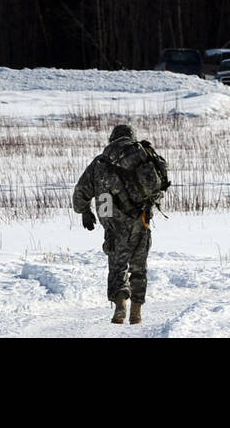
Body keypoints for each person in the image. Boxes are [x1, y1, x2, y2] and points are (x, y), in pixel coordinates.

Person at [72, 121, 169, 325]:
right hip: (141, 220)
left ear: (112, 139)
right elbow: (157, 186)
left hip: (114, 224)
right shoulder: (142, 156)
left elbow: (80, 192)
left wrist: (84, 211)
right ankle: (136, 311)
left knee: (117, 266)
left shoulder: (100, 163)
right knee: (139, 267)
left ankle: (120, 306)